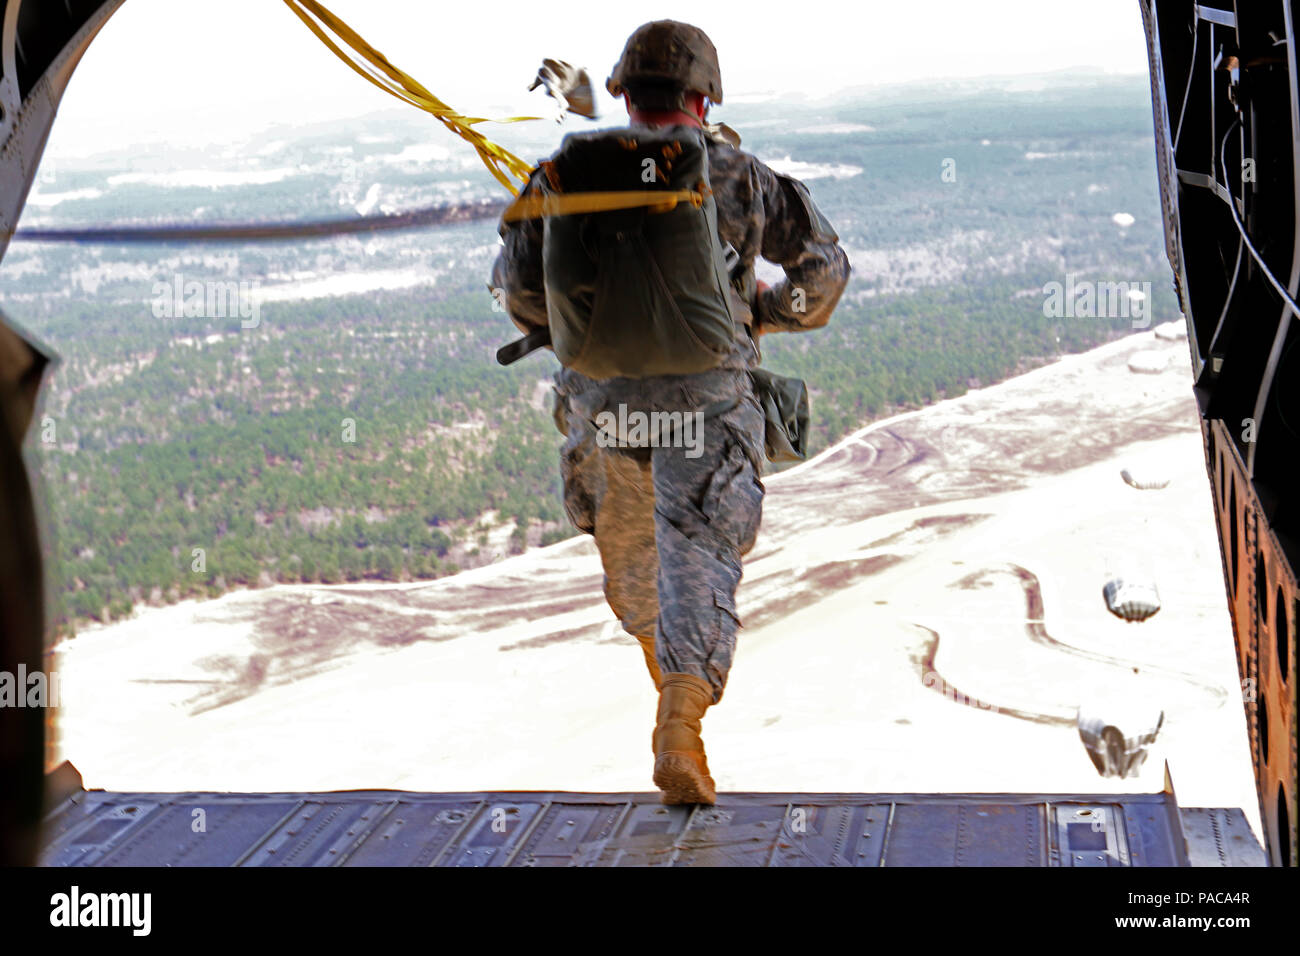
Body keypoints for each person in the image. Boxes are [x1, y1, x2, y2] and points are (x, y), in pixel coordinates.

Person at [491, 20, 850, 804]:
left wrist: (584, 338)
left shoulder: (561, 175)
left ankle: (669, 703)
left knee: (639, 578)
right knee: (701, 557)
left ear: (620, 91)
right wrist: (765, 309)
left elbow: (517, 292)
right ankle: (680, 726)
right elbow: (822, 275)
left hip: (604, 415)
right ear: (704, 95)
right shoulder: (740, 177)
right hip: (704, 410)